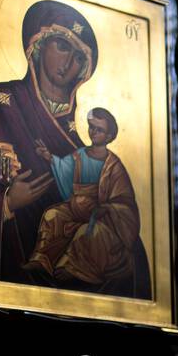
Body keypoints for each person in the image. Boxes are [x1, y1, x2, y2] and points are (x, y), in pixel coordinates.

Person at [0, 0, 150, 297]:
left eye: (78, 57)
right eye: (62, 45)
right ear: (38, 44)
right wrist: (8, 202)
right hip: (13, 272)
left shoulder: (79, 143)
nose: (68, 63)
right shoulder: (3, 105)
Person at [25, 107, 142, 292]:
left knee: (86, 231)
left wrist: (108, 208)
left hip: (103, 218)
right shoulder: (79, 155)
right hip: (76, 208)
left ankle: (72, 268)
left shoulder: (114, 166)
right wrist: (48, 157)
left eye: (99, 130)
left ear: (109, 135)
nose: (94, 132)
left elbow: (124, 201)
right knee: (52, 214)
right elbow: (63, 168)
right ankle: (43, 260)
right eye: (92, 127)